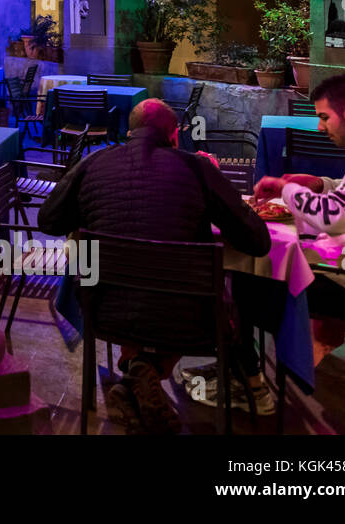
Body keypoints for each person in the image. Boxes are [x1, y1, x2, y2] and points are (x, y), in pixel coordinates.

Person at [39, 98, 271, 434]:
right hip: (192, 321)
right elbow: (258, 242)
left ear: (129, 131)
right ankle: (145, 368)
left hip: (102, 311)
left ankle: (134, 367)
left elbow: (49, 220)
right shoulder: (197, 168)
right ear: (175, 136)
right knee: (189, 298)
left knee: (136, 297)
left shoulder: (94, 163)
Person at [253, 74, 345, 365]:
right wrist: (320, 184)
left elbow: (334, 218)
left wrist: (287, 189)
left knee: (255, 282)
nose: (320, 127)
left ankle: (249, 375)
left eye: (324, 117)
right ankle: (315, 347)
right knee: (308, 260)